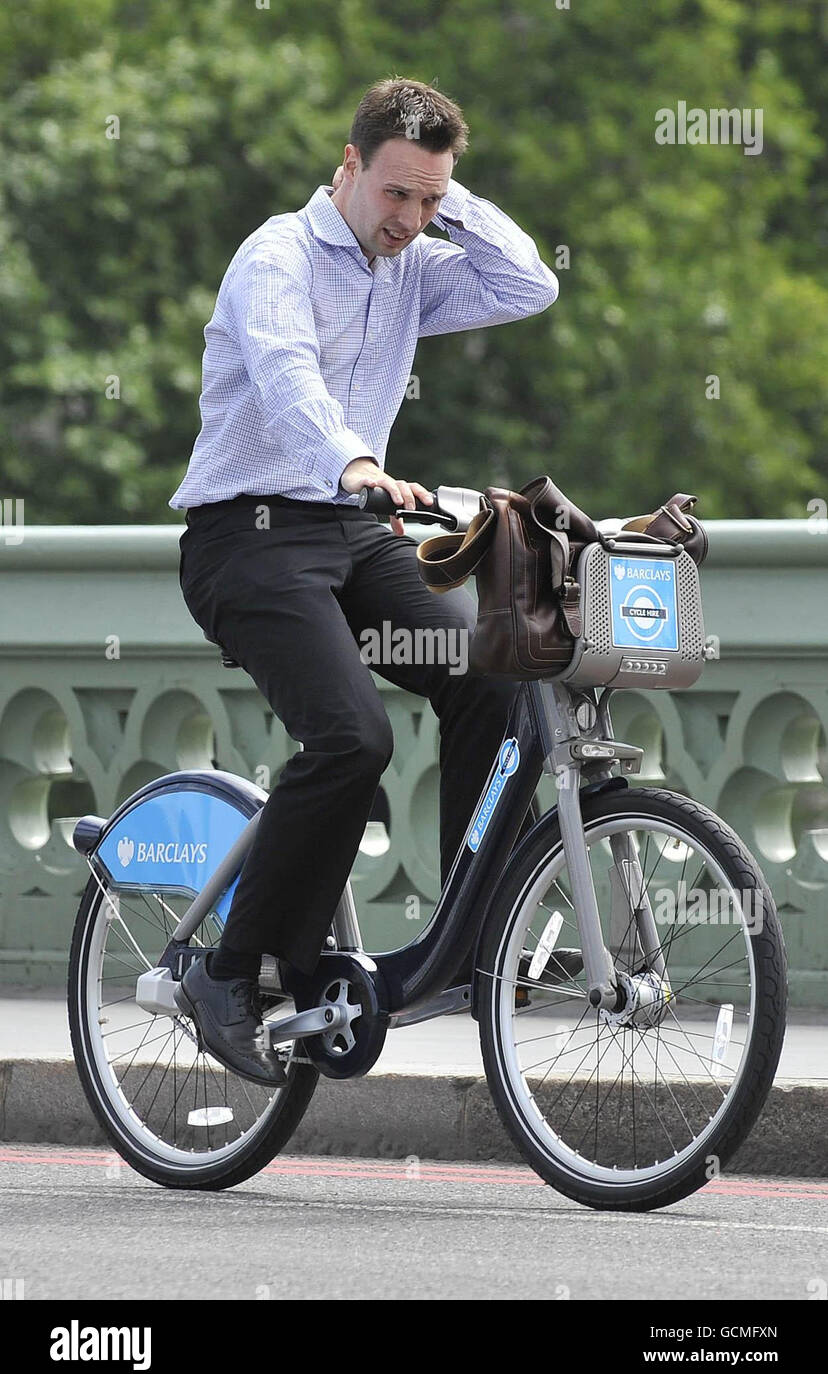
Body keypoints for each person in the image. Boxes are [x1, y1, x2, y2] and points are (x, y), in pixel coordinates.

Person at [169, 76, 559, 1084]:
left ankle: (472, 935)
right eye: (395, 194)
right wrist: (351, 461)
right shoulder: (275, 258)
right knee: (354, 736)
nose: (411, 221)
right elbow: (290, 378)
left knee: (497, 678)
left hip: (355, 530)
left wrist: (444, 188)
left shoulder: (415, 260)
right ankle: (232, 969)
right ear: (345, 169)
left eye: (429, 202)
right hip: (247, 538)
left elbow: (531, 285)